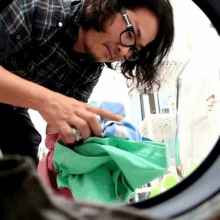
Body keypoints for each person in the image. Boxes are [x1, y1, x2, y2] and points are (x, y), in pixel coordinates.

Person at [0, 0, 174, 166]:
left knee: (27, 151)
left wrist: (72, 151)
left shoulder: (89, 71)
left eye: (134, 50)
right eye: (130, 33)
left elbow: (59, 124)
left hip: (10, 103)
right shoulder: (44, 9)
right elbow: (52, 105)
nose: (124, 50)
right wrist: (46, 101)